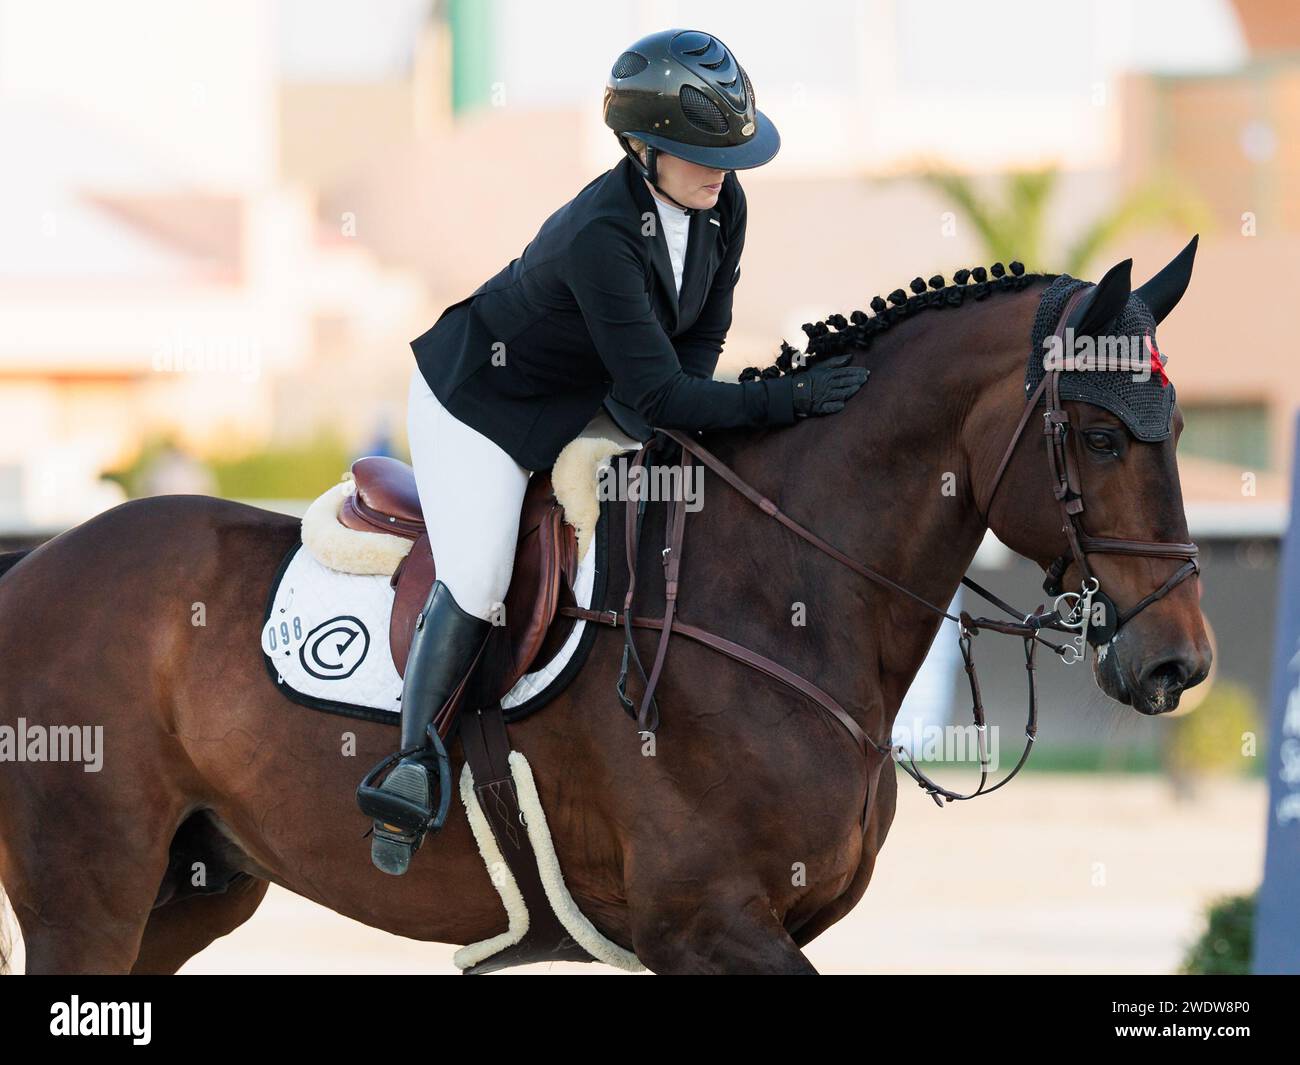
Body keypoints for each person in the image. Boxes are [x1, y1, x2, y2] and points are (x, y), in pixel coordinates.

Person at [356, 28, 869, 875]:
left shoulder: (724, 206)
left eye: (730, 153)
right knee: (481, 577)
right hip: (482, 406)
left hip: (591, 401)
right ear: (642, 149)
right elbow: (666, 392)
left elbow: (697, 349)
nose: (723, 169)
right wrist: (788, 398)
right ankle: (411, 764)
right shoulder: (602, 231)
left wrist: (705, 419)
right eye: (702, 153)